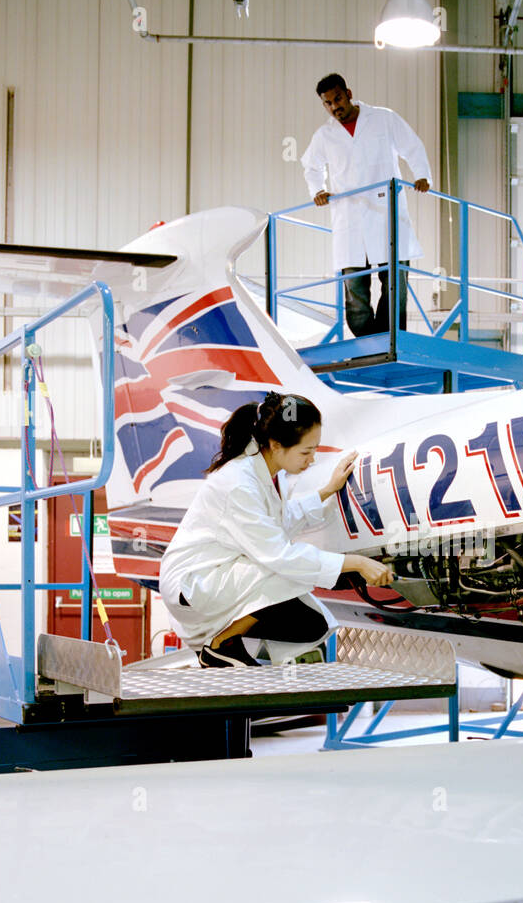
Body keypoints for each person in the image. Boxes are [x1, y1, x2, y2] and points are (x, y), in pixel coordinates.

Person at [159, 392, 394, 667]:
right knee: (286, 568)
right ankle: (222, 643)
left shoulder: (263, 472)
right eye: (306, 452)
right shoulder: (240, 483)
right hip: (194, 584)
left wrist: (328, 490)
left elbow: (278, 520)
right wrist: (357, 563)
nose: (312, 460)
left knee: (312, 625)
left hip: (217, 575)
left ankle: (227, 645)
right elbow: (280, 555)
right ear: (276, 445)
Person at [300, 73, 432, 338]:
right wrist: (318, 190)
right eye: (328, 103)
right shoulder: (325, 135)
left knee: (395, 284)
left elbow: (412, 146)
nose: (334, 106)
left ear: (348, 93)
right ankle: (368, 345)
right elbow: (310, 166)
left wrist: (422, 175)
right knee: (355, 292)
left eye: (337, 98)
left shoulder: (383, 119)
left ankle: (390, 340)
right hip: (349, 220)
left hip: (387, 215)